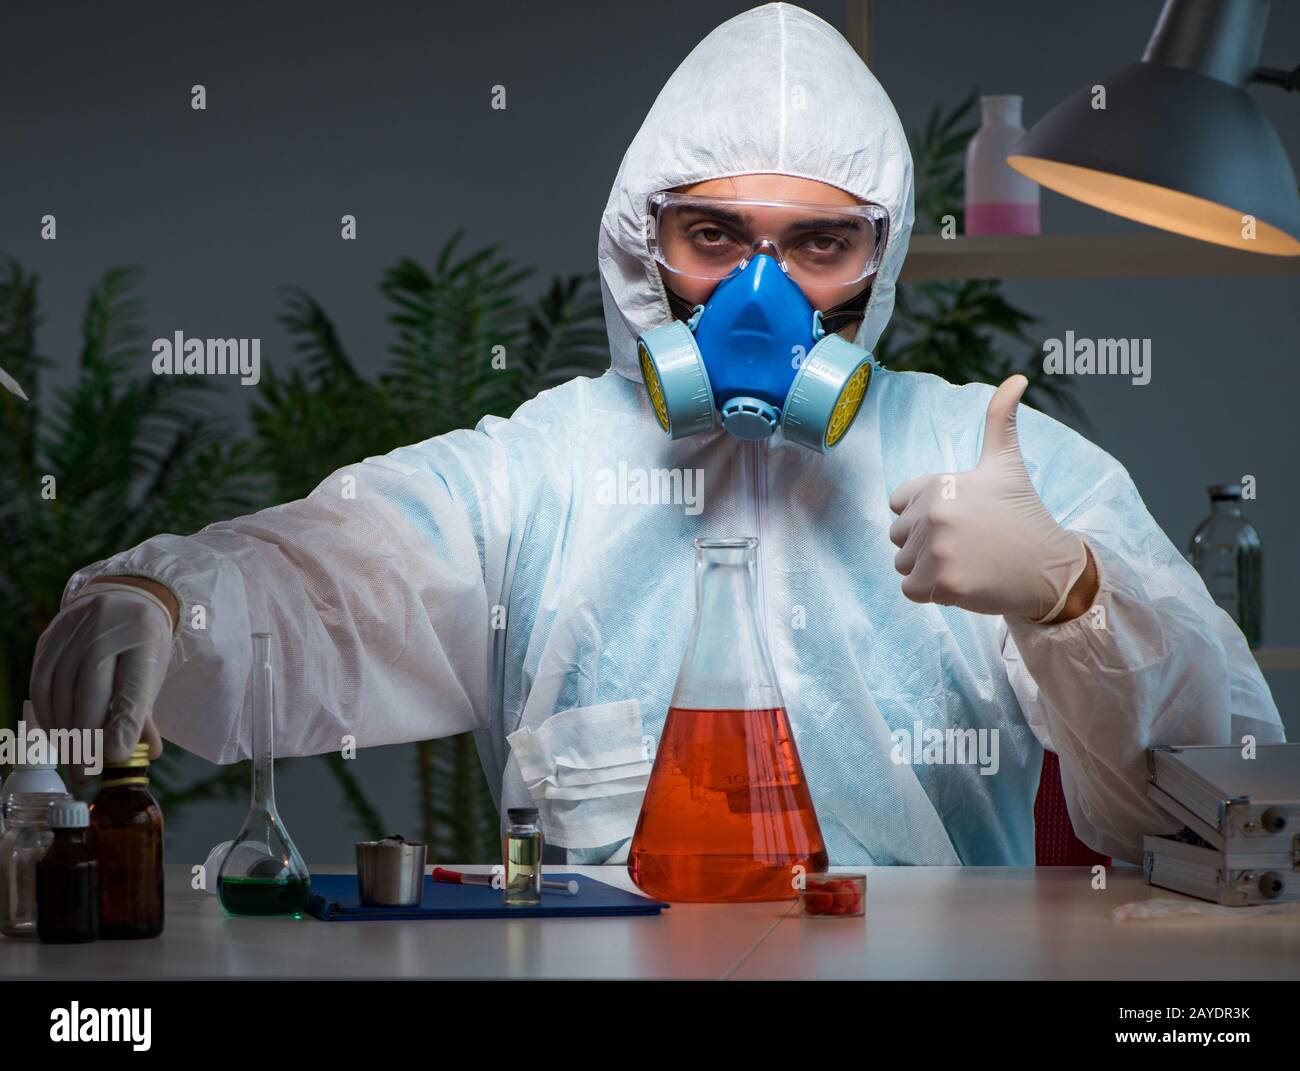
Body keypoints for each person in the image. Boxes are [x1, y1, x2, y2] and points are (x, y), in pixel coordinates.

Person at [29, 3, 1282, 866]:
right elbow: (319, 584)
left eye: (818, 243)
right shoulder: (542, 473)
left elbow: (1221, 796)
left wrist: (1070, 596)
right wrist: (162, 598)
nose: (760, 295)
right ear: (645, 246)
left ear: (878, 260)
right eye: (716, 237)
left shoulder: (1001, 465)